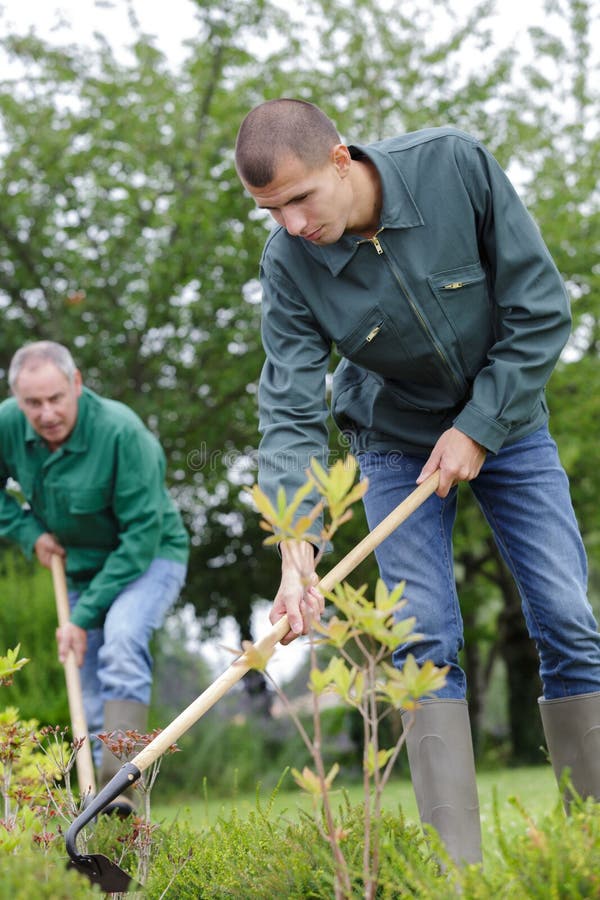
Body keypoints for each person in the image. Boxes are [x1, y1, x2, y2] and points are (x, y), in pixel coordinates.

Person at [234, 98, 600, 865]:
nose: (294, 226)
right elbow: (291, 409)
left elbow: (539, 310)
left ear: (341, 159)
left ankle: (590, 847)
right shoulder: (289, 264)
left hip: (510, 422)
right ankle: (455, 874)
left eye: (300, 199)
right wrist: (296, 545)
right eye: (271, 212)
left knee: (567, 618)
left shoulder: (453, 166)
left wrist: (479, 428)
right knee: (423, 641)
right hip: (396, 444)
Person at [0, 341, 189, 814]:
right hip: (80, 568)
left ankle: (118, 786)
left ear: (77, 384)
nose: (46, 413)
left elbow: (140, 537)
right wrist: (29, 533)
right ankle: (102, 817)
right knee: (84, 688)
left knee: (121, 640)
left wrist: (82, 617)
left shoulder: (123, 433)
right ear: (18, 401)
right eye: (33, 403)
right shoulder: (6, 425)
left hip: (148, 559)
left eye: (56, 398)